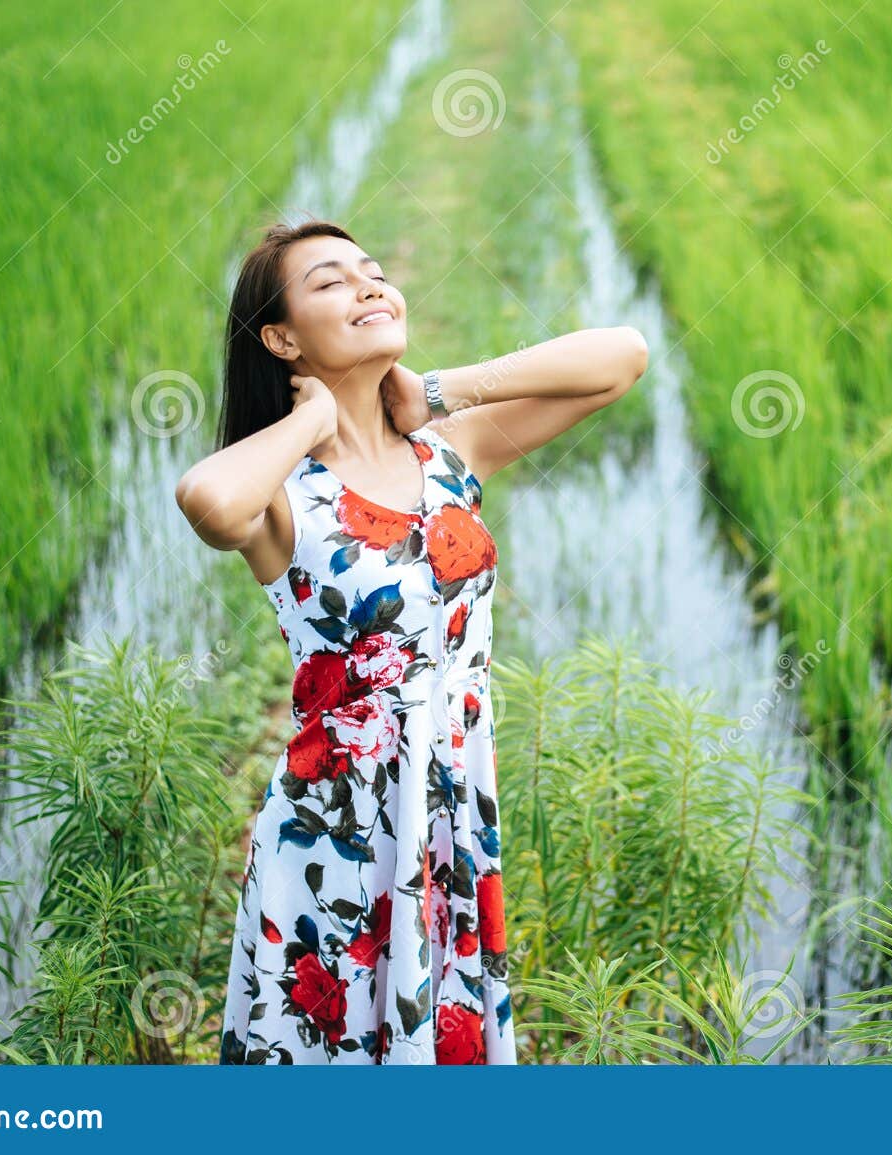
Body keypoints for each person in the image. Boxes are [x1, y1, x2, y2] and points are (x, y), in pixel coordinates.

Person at [175, 219, 647, 1063]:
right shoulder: (286, 497)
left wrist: (439, 388)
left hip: (452, 818)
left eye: (375, 273)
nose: (368, 286)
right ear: (281, 338)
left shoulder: (450, 452)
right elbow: (208, 498)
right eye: (330, 281)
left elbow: (622, 355)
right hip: (339, 836)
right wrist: (309, 417)